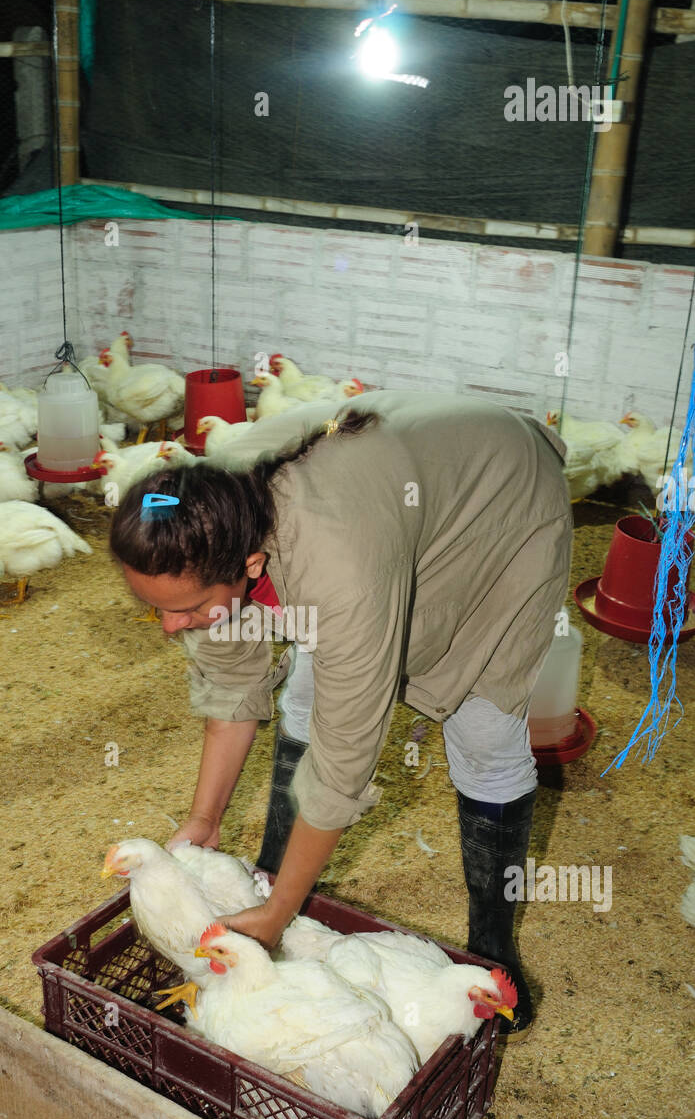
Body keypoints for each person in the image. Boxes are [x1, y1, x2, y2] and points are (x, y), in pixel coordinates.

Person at [109, 389, 572, 1035]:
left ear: (248, 565)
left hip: (502, 509)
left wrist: (272, 922)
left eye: (185, 610)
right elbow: (231, 685)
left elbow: (344, 760)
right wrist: (203, 819)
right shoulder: (195, 528)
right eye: (154, 607)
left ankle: (490, 948)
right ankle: (277, 874)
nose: (169, 626)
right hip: (390, 496)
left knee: (481, 725)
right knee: (309, 685)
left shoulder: (337, 564)